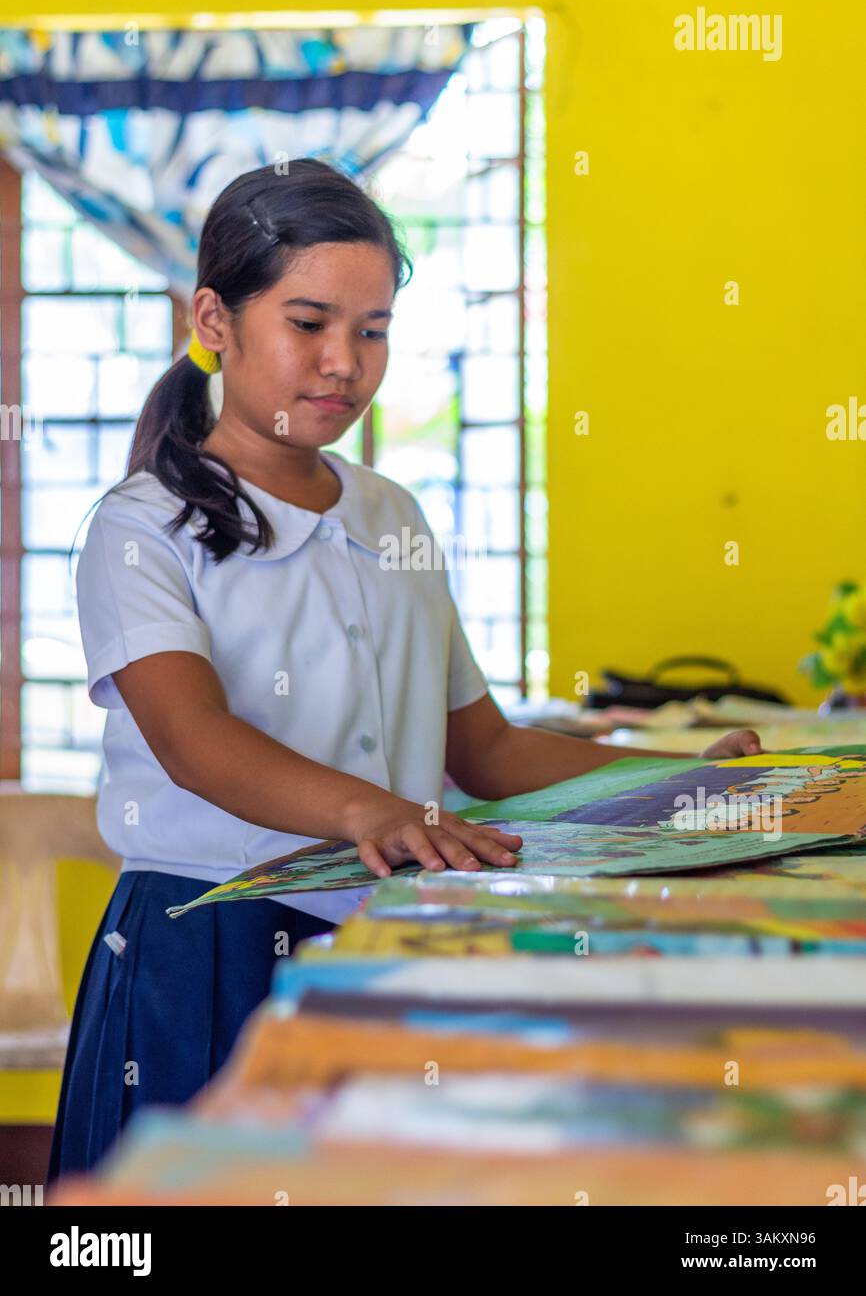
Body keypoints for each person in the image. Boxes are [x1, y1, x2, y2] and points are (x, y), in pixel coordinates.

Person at [47, 158, 760, 1180]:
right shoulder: (139, 530)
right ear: (215, 319)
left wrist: (679, 781)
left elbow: (485, 747)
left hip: (387, 929)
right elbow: (195, 745)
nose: (343, 360)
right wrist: (373, 812)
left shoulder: (392, 516)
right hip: (205, 945)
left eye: (371, 329)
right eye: (308, 322)